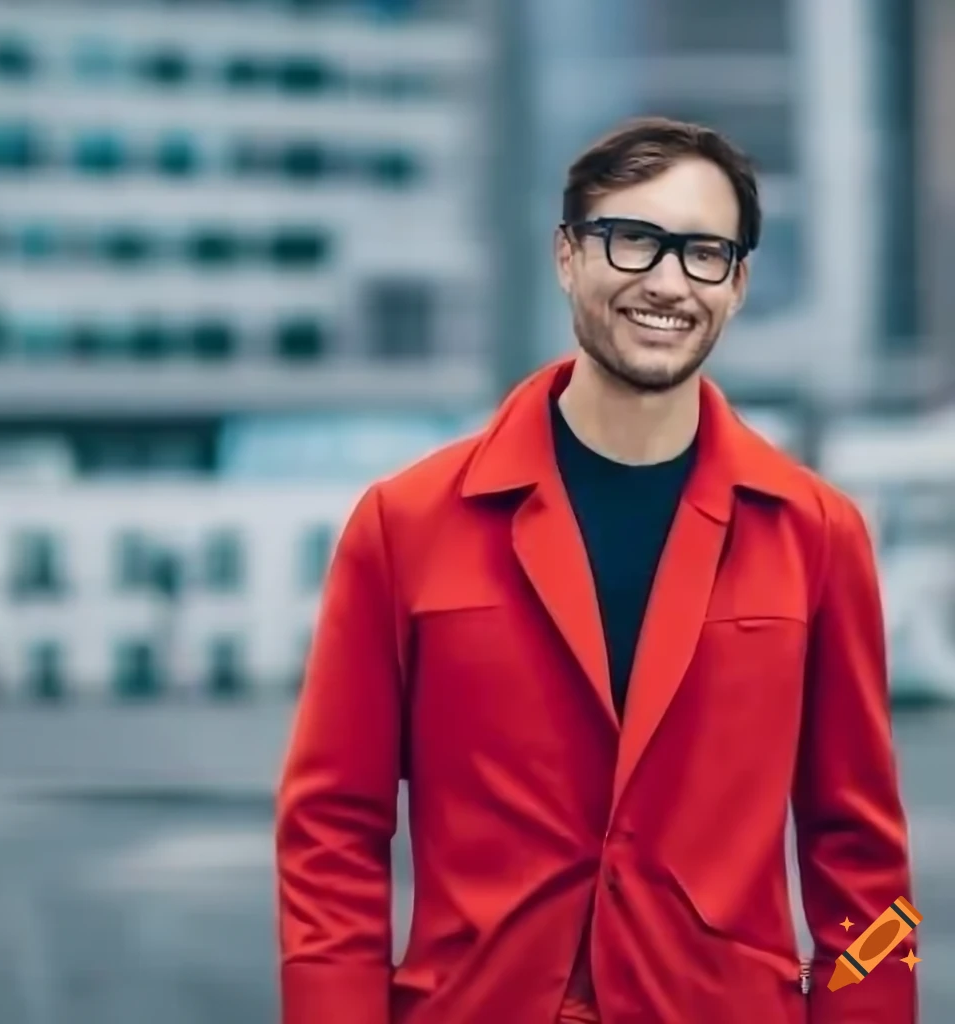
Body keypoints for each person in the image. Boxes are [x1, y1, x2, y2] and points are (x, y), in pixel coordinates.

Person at [275, 117, 917, 1023]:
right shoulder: (405, 525)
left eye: (703, 252)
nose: (666, 281)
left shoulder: (817, 534)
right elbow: (332, 833)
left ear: (737, 285)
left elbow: (863, 864)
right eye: (632, 241)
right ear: (568, 256)